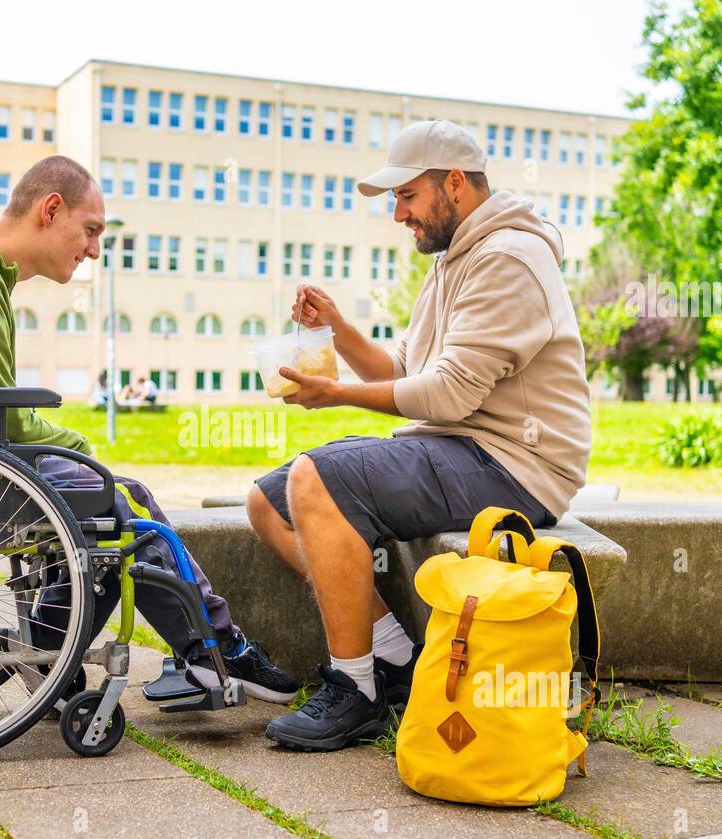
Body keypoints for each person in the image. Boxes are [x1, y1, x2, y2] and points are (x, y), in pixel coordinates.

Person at [0, 155, 297, 704]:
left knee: (119, 504)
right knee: (123, 502)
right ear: (50, 210)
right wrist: (80, 448)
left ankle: (54, 644)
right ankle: (216, 649)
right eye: (90, 230)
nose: (94, 249)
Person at [250, 121, 592, 750]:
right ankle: (395, 656)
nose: (398, 214)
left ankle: (356, 691)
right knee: (267, 500)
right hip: (455, 445)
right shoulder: (453, 260)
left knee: (314, 477)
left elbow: (451, 393)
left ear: (453, 183)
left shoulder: (509, 258)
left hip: (517, 464)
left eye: (406, 197)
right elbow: (406, 373)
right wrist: (339, 330)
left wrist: (336, 397)